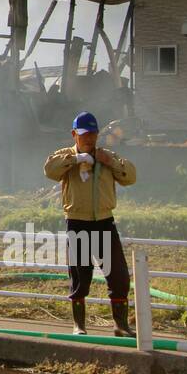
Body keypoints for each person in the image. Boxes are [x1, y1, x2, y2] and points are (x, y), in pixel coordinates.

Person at [44, 111, 138, 337]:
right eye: (85, 135)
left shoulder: (106, 157)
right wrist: (76, 159)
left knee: (118, 275)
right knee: (80, 275)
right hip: (77, 223)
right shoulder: (65, 156)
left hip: (104, 222)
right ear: (74, 134)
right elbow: (49, 170)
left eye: (93, 134)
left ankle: (121, 325)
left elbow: (130, 177)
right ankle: (79, 325)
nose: (89, 139)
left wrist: (111, 161)